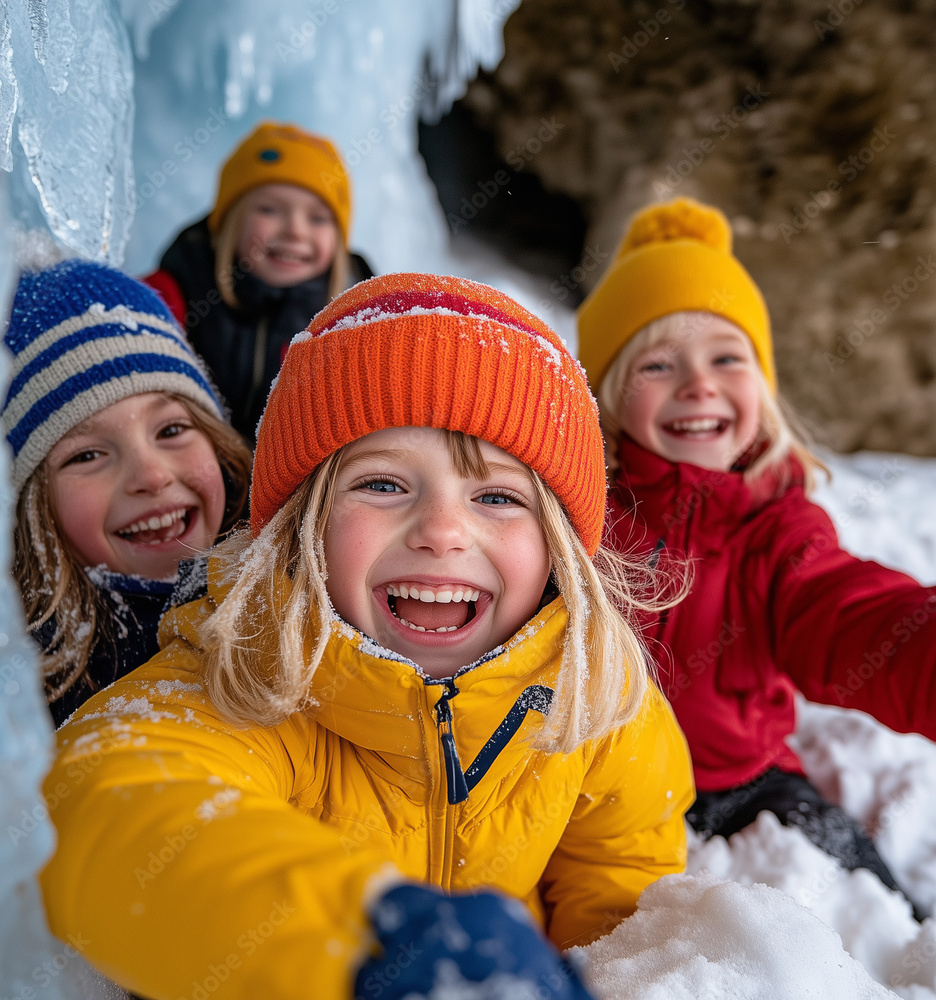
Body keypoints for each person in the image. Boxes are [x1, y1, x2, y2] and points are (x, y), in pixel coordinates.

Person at [38, 273, 694, 1000]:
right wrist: (362, 942)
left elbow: (622, 885)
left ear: (558, 549)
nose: (443, 531)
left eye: (498, 497)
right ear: (301, 527)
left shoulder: (598, 704)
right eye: (383, 485)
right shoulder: (242, 678)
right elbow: (111, 805)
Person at [577, 196, 936, 911]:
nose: (698, 383)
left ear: (762, 386)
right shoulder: (582, 516)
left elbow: (842, 612)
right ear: (609, 397)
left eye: (725, 357)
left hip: (742, 780)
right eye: (657, 364)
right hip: (593, 786)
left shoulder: (778, 526)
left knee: (874, 897)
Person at [4, 259, 251, 727]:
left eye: (172, 429)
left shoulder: (303, 587)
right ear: (33, 507)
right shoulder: (22, 695)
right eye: (87, 455)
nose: (152, 476)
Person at [144, 121, 373, 442]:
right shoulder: (179, 291)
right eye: (269, 210)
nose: (295, 231)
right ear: (230, 222)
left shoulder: (360, 319)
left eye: (317, 218)